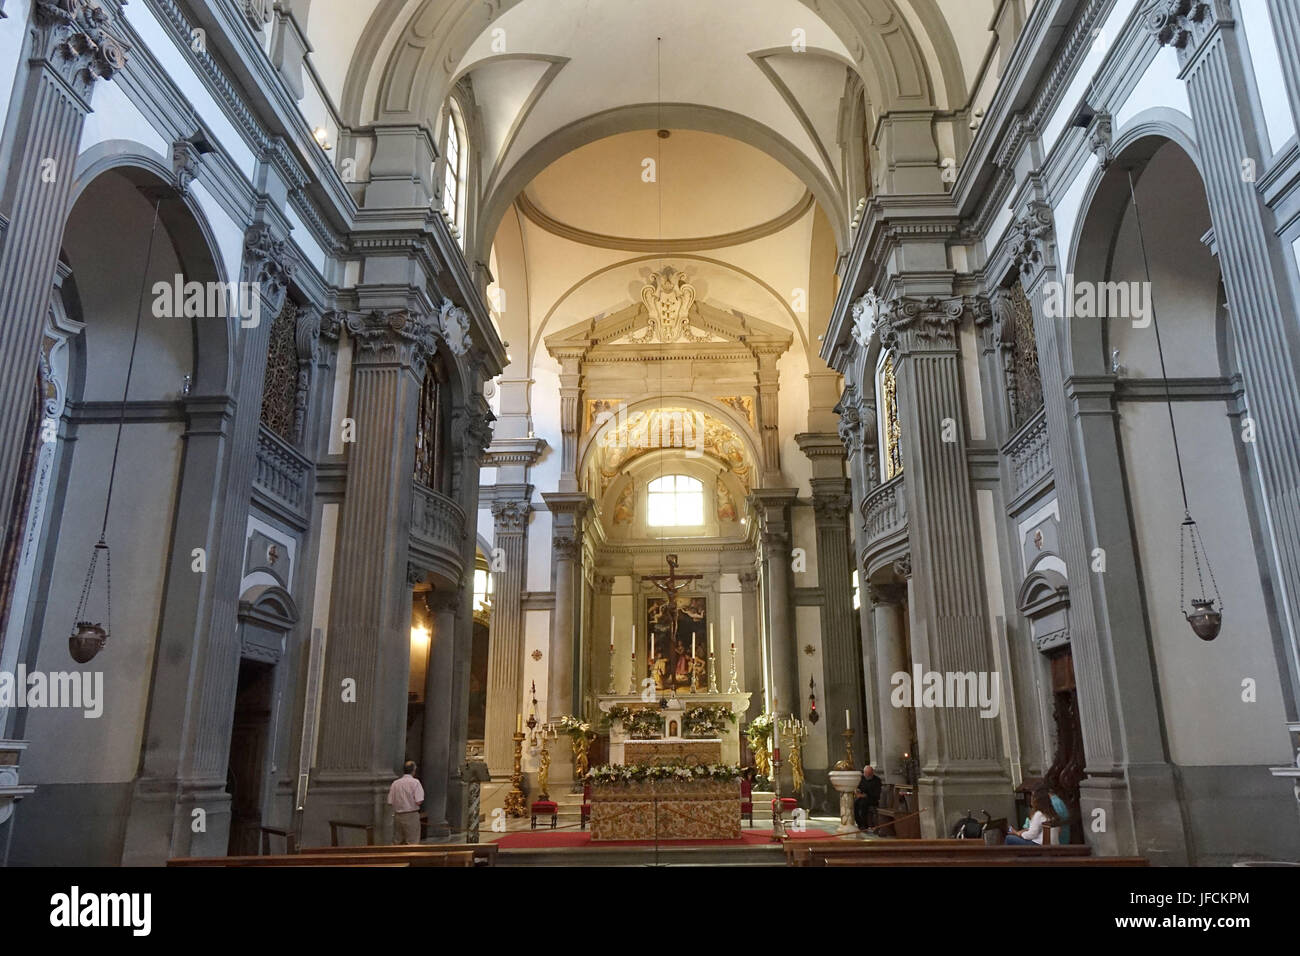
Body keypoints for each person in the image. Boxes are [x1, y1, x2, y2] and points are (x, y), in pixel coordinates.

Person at [387, 760, 424, 845]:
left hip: (397, 816)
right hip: (411, 815)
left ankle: (396, 858)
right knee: (412, 842)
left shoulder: (395, 783)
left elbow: (390, 801)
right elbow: (419, 801)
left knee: (397, 841)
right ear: (413, 770)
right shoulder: (415, 782)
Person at [854, 765, 883, 830]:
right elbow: (858, 787)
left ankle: (865, 825)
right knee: (854, 804)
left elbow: (876, 794)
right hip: (862, 798)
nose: (866, 775)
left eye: (868, 773)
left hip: (872, 799)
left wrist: (866, 795)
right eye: (865, 773)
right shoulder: (862, 778)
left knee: (863, 804)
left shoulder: (877, 780)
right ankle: (859, 823)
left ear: (872, 773)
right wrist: (857, 790)